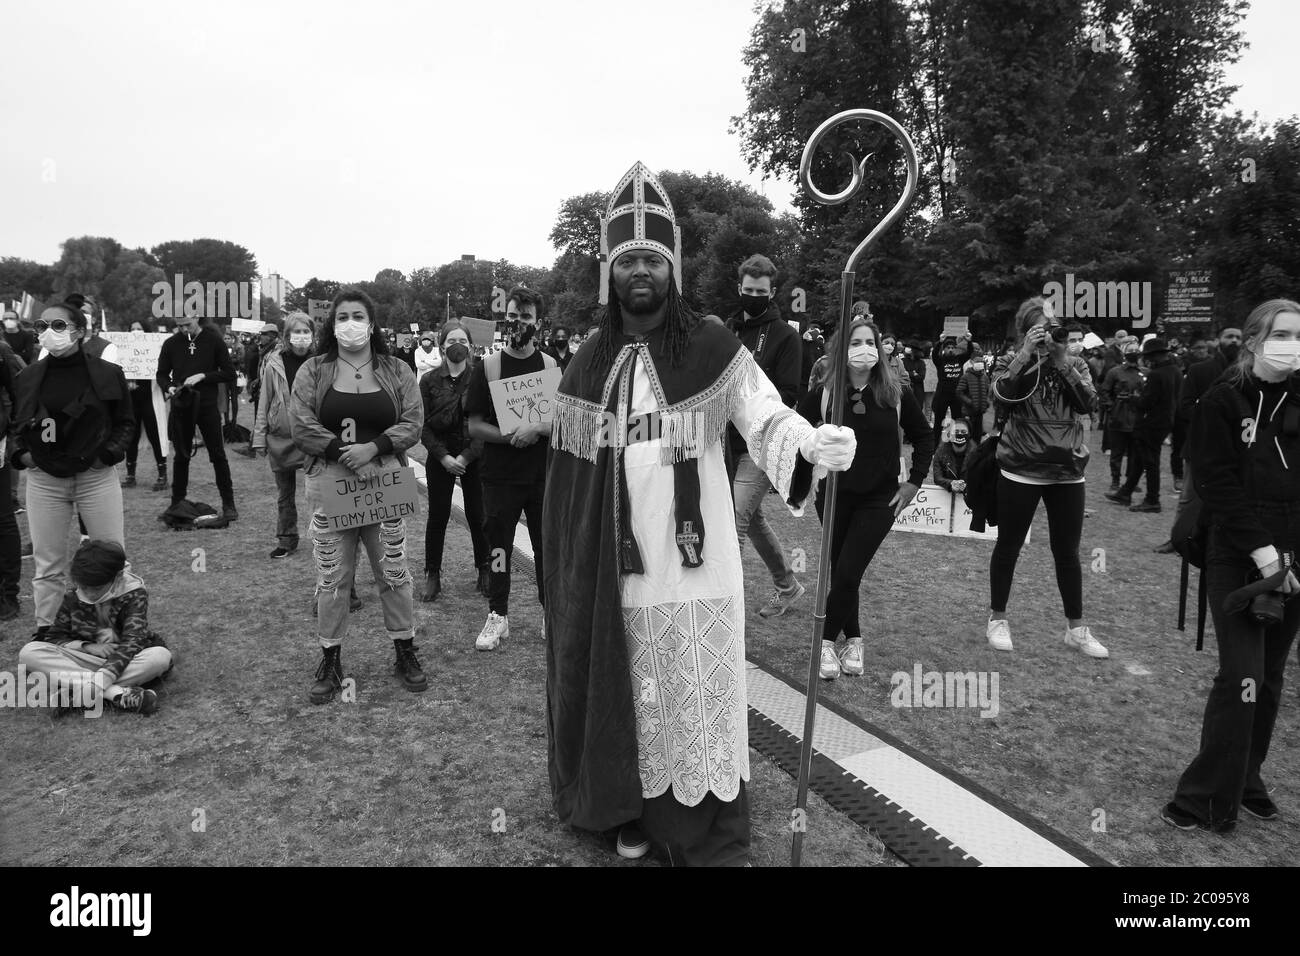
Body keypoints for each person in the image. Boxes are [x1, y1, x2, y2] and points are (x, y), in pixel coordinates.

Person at [543, 162, 856, 866]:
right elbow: (565, 484)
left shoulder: (714, 343)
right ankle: (634, 811)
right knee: (642, 689)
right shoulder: (587, 362)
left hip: (701, 555)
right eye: (630, 261)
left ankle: (708, 827)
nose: (642, 272)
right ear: (611, 274)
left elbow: (763, 414)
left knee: (702, 684)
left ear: (673, 268)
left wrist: (813, 442)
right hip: (621, 564)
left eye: (654, 259)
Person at [1162, 299, 1300, 833]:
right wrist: (1265, 554)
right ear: (1254, 340)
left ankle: (1247, 779)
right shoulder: (1223, 399)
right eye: (1283, 333)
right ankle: (1201, 795)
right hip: (1241, 554)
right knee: (1241, 675)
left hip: (1295, 553)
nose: (1292, 343)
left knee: (1268, 678)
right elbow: (1216, 483)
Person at [290, 289, 425, 702]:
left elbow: (413, 422)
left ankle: (404, 650)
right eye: (342, 316)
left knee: (394, 571)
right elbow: (300, 423)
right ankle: (330, 660)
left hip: (384, 482)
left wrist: (375, 448)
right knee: (333, 578)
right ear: (332, 325)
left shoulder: (396, 369)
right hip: (331, 482)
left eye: (358, 315)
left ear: (371, 323)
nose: (350, 323)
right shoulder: (313, 370)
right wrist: (343, 454)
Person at [798, 317, 933, 679]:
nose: (865, 349)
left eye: (870, 342)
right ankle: (854, 638)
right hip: (833, 494)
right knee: (843, 572)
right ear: (842, 349)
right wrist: (811, 457)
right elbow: (797, 429)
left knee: (848, 570)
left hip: (880, 497)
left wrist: (914, 481)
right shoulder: (827, 392)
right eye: (856, 342)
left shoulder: (895, 391)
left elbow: (924, 436)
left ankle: (824, 643)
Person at [987, 296, 1106, 658]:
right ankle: (997, 619)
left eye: (1053, 329)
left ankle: (1076, 628)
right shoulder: (1011, 360)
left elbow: (1090, 405)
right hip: (1021, 466)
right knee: (1008, 545)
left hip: (1067, 469)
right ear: (1026, 331)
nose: (1049, 336)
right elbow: (1002, 398)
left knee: (1067, 551)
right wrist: (1026, 355)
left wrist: (1060, 361)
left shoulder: (1076, 363)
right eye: (1040, 328)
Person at [12, 305, 133, 637]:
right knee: (47, 565)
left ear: (79, 330)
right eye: (42, 325)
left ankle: (116, 626)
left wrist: (105, 455)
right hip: (44, 480)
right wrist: (24, 456)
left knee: (112, 557)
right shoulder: (27, 377)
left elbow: (125, 423)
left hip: (95, 478)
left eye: (58, 324)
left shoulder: (108, 373)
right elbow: (17, 426)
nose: (49, 330)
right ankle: (47, 630)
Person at [464, 287, 557, 650]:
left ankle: (551, 612)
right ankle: (498, 614)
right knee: (499, 547)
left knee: (545, 547)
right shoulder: (488, 366)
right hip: (500, 476)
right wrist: (511, 435)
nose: (519, 322)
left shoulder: (550, 367)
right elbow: (474, 426)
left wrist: (535, 428)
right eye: (514, 315)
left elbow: (562, 422)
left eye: (527, 316)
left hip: (541, 476)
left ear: (538, 322)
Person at [726, 254, 805, 618]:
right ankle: (788, 587)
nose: (753, 295)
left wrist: (756, 413)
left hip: (759, 446)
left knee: (733, 523)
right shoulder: (728, 330)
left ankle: (725, 608)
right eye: (748, 289)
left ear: (772, 292)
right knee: (753, 520)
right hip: (724, 442)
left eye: (761, 291)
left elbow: (790, 393)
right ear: (739, 287)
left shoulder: (787, 336)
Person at [17, 540, 172, 715]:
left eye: (97, 588)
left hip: (129, 659)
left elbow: (133, 642)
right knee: (29, 652)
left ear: (118, 576)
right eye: (84, 587)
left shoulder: (135, 595)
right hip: (87, 659)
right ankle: (115, 694)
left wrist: (100, 679)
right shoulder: (72, 597)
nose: (89, 594)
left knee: (159, 657)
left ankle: (78, 691)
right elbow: (54, 638)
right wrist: (87, 647)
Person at [1155, 324, 1244, 553]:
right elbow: (1184, 407)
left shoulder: (1250, 372)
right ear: (1218, 340)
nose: (1234, 340)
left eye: (1238, 337)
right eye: (1229, 336)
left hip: (1237, 448)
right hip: (1201, 445)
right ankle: (1178, 539)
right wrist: (1215, 418)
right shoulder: (1199, 370)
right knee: (1189, 498)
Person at [419, 320, 488, 602]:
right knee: (437, 516)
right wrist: (444, 457)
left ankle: (485, 569)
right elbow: (422, 425)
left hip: (474, 455)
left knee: (478, 515)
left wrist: (467, 455)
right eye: (451, 340)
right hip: (440, 456)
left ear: (470, 345)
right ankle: (432, 574)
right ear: (442, 345)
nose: (456, 345)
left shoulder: (482, 378)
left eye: (461, 340)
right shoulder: (429, 381)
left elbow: (487, 421)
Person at [156, 307, 238, 521]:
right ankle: (177, 502)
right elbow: (162, 374)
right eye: (179, 325)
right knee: (181, 455)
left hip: (207, 404)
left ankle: (228, 504)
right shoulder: (171, 344)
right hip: (182, 405)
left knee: (217, 455)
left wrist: (203, 375)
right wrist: (170, 386)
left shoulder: (213, 340)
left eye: (187, 324)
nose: (183, 329)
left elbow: (228, 372)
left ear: (197, 318)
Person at [253, 312, 314, 558]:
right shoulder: (273, 363)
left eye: (305, 332)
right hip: (280, 437)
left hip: (313, 436)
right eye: (296, 332)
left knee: (318, 491)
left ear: (312, 335)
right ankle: (287, 538)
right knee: (284, 494)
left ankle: (325, 536)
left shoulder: (320, 361)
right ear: (287, 335)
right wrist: (259, 437)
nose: (301, 337)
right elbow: (264, 401)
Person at [1105, 337, 1180, 513]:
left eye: (1149, 356)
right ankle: (1126, 492)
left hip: (1151, 423)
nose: (1147, 360)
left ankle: (1152, 500)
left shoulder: (1156, 374)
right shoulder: (1175, 371)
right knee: (1140, 458)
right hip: (1166, 420)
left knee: (1150, 462)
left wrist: (1132, 397)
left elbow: (1146, 402)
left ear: (1154, 356)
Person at [123, 325, 168, 492]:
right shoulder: (124, 354)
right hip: (131, 403)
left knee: (155, 436)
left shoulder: (153, 352)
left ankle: (162, 474)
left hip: (150, 400)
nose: (136, 331)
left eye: (139, 328)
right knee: (131, 438)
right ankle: (130, 475)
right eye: (133, 329)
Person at [1100, 338, 1144, 495]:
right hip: (1118, 418)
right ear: (1125, 354)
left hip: (1137, 419)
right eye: (1130, 352)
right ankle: (1115, 481)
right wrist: (1111, 407)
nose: (1133, 354)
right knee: (1117, 452)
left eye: (1135, 352)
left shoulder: (1144, 373)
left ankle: (1131, 481)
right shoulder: (1115, 372)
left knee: (1135, 453)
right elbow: (1104, 391)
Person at [0, 340, 20, 620]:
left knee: (2, 518)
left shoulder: (2, 351)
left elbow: (20, 394)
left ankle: (8, 595)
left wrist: (11, 430)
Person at [931, 331, 972, 445]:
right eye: (948, 347)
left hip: (956, 396)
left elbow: (969, 353)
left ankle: (956, 444)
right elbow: (934, 355)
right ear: (944, 349)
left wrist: (969, 341)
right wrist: (940, 342)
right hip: (942, 394)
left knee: (958, 420)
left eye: (952, 347)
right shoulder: (940, 361)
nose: (950, 349)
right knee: (939, 421)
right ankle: (934, 447)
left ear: (955, 349)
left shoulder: (959, 359)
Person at [955, 352, 991, 444]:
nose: (979, 364)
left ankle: (975, 454)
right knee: (967, 435)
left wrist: (986, 402)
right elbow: (959, 392)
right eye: (977, 362)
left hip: (980, 412)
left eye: (981, 363)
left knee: (978, 436)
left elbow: (987, 392)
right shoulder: (966, 376)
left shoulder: (985, 378)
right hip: (968, 411)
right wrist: (970, 402)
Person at [932, 417, 972, 493]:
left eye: (963, 431)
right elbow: (937, 478)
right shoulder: (940, 452)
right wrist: (951, 484)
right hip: (945, 496)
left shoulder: (976, 454)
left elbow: (979, 479)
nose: (960, 434)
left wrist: (966, 486)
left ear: (969, 434)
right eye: (956, 431)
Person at [902, 340, 927, 418]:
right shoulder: (903, 361)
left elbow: (921, 377)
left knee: (917, 412)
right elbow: (901, 375)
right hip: (905, 390)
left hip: (917, 391)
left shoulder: (921, 363)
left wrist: (908, 373)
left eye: (910, 347)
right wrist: (912, 373)